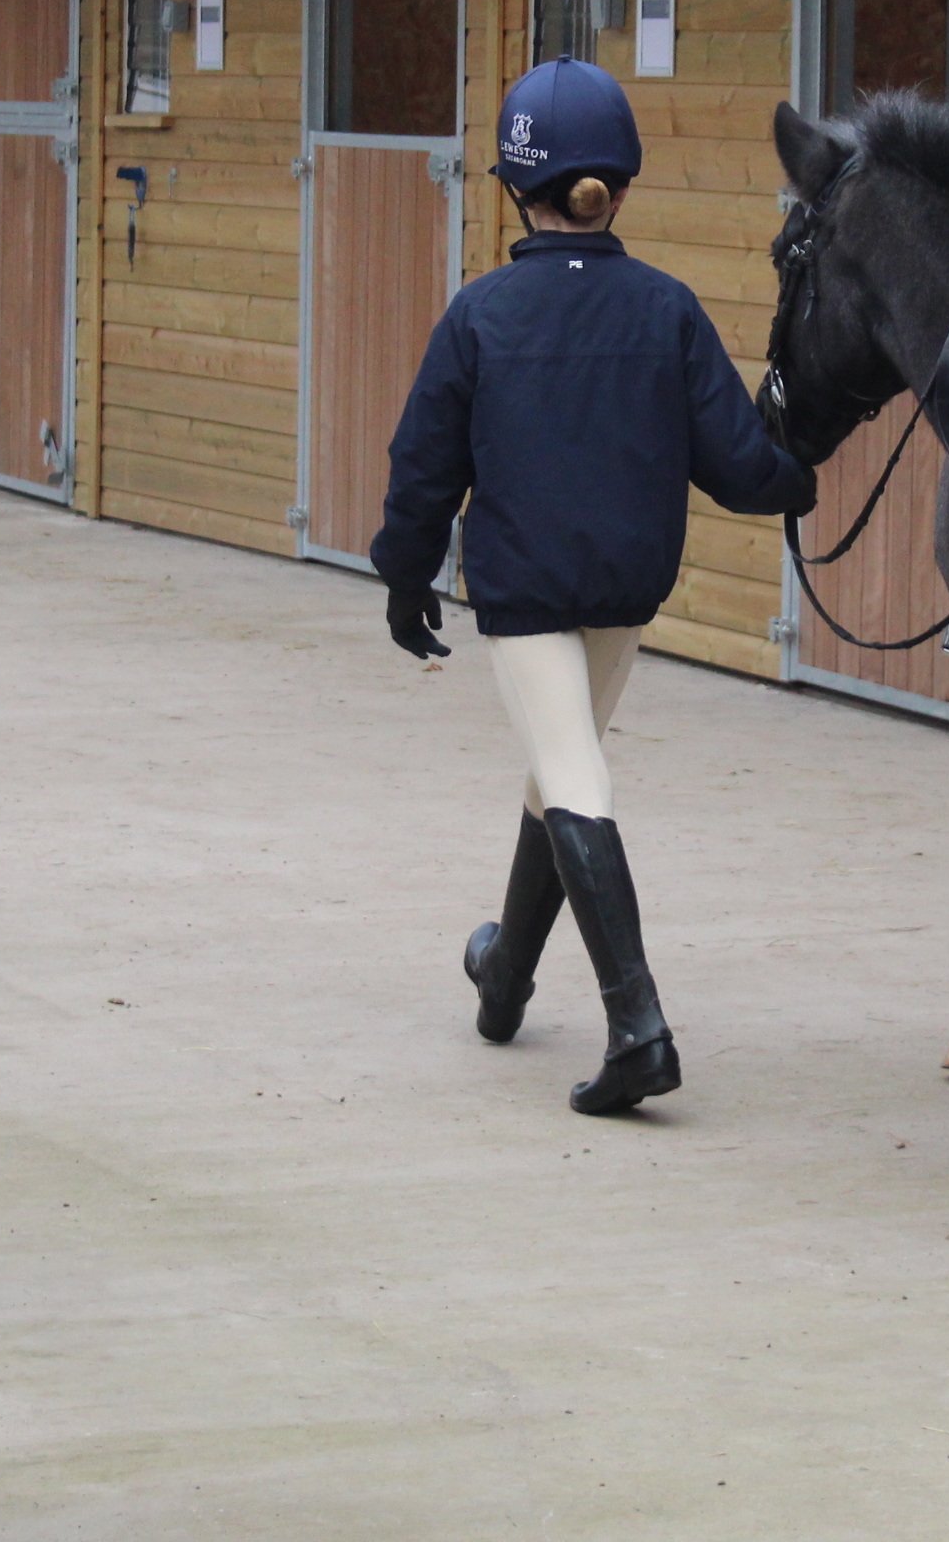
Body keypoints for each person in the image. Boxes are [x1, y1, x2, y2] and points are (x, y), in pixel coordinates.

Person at [371, 58, 818, 1115]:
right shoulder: (666, 309)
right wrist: (804, 471)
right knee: (557, 769)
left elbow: (424, 464)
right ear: (617, 185)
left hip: (527, 593)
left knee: (571, 775)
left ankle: (639, 1028)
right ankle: (506, 979)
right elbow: (741, 465)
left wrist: (404, 575)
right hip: (627, 587)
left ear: (515, 189)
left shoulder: (481, 315)